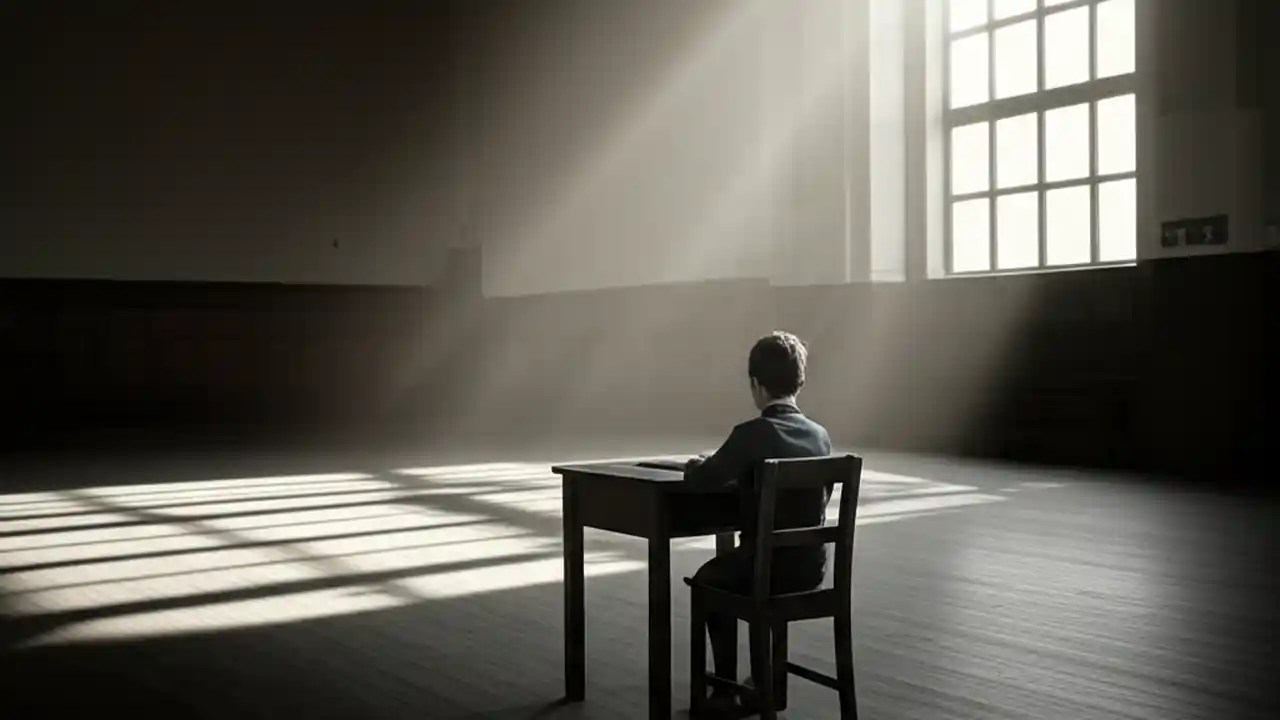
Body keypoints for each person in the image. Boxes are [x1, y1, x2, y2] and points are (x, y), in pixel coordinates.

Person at [684, 330, 833, 716]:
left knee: (707, 580)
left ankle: (723, 691)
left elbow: (704, 480)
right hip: (809, 568)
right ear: (800, 379)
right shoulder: (821, 437)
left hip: (764, 571)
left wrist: (696, 464)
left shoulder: (751, 435)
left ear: (755, 384)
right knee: (750, 566)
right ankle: (765, 683)